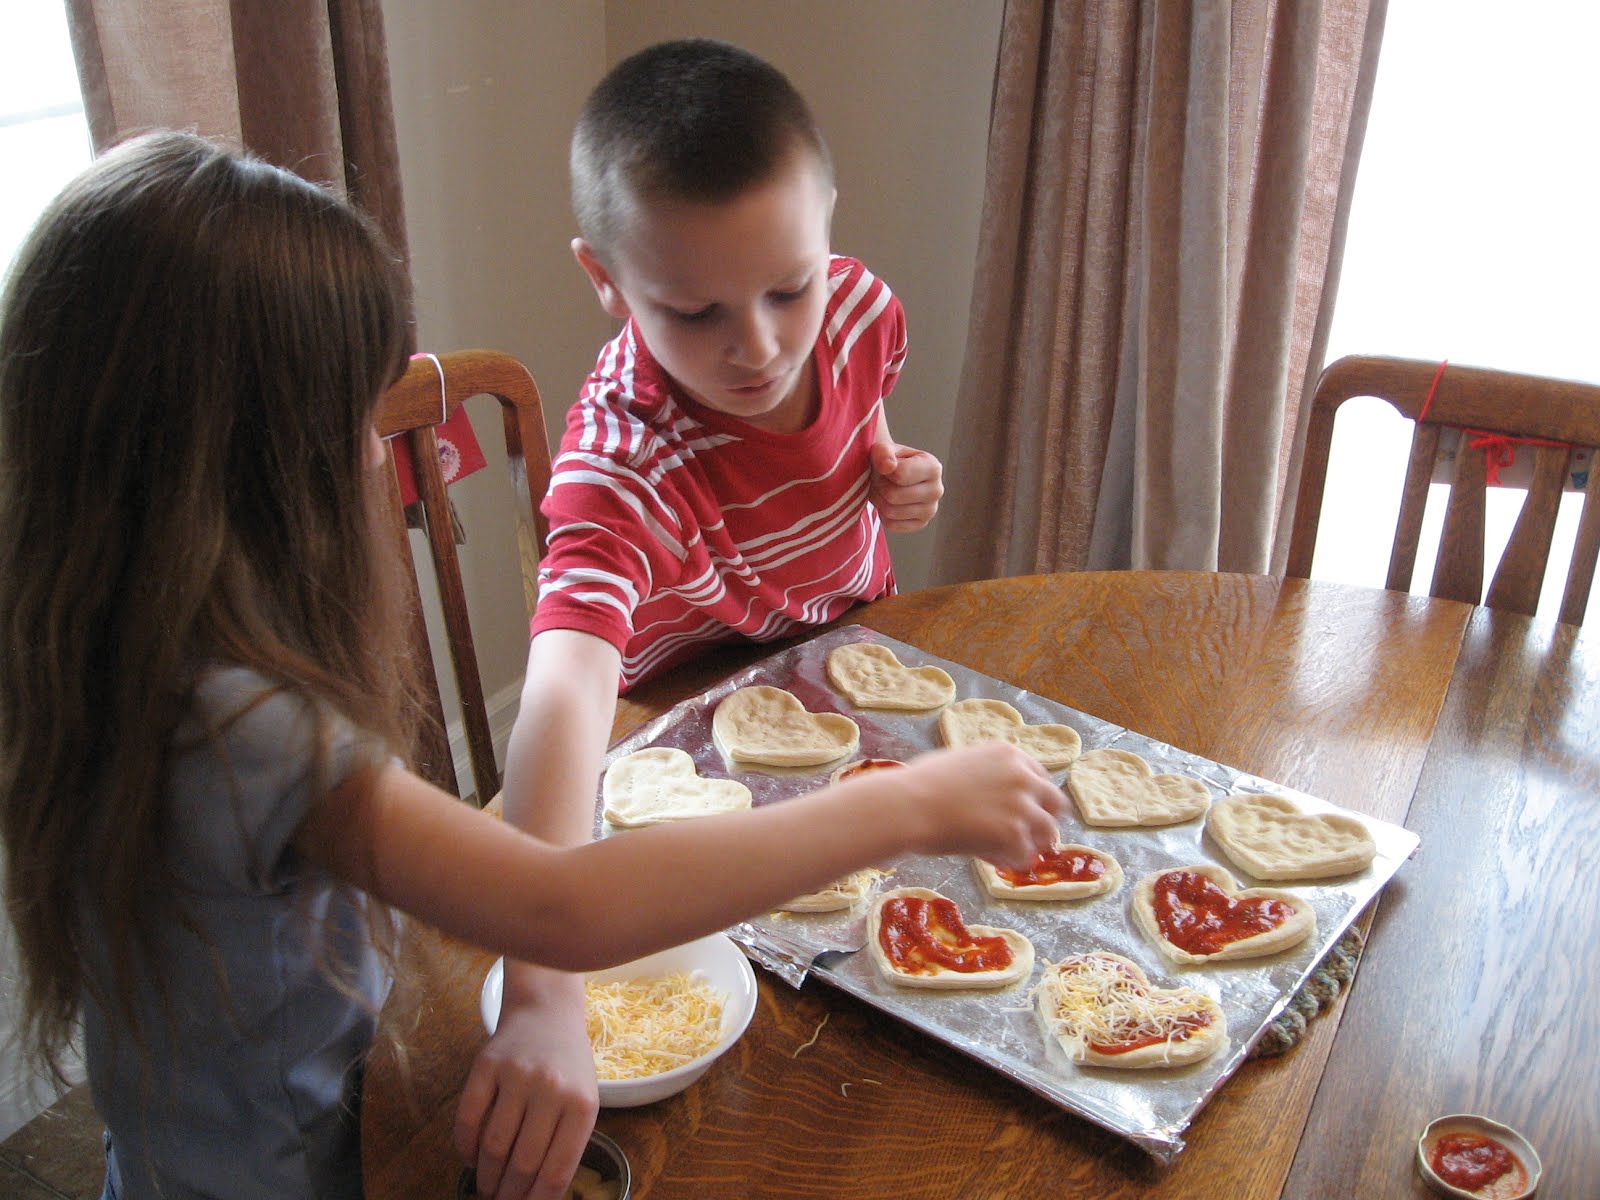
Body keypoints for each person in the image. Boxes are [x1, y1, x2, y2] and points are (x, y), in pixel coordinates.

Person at [0, 131, 1063, 1200]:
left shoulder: (79, 629)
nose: (376, 452)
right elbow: (562, 906)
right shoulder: (244, 733)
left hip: (167, 1152)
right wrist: (913, 807)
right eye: (356, 421)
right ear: (247, 463)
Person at [473, 39, 957, 1197]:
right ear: (605, 280)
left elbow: (854, 422)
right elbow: (568, 686)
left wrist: (893, 477)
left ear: (826, 222)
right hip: (686, 707)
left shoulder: (860, 313)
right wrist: (541, 986)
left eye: (788, 285)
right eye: (692, 311)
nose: (760, 344)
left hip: (846, 647)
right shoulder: (617, 462)